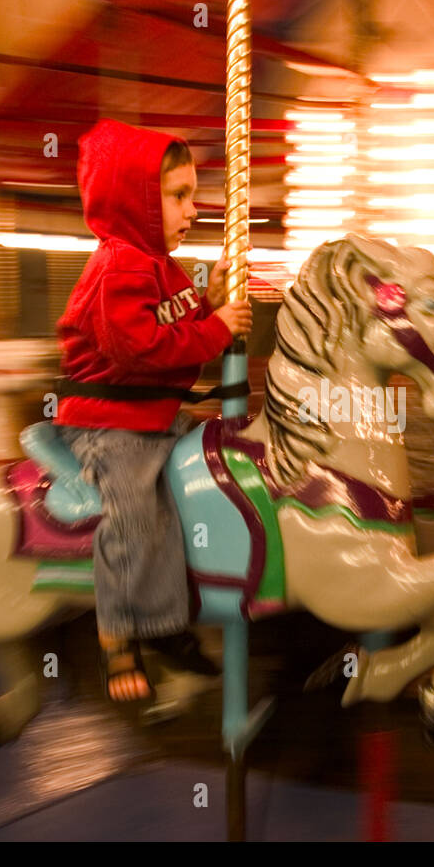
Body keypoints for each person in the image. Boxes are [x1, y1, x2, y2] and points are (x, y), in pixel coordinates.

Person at [54, 118, 253, 702]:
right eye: (178, 196)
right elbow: (139, 349)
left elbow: (171, 315)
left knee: (218, 467)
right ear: (135, 198)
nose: (193, 210)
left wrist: (207, 301)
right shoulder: (118, 266)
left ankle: (166, 618)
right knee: (135, 513)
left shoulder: (156, 263)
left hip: (154, 419)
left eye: (193, 195)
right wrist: (215, 330)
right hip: (109, 425)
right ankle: (118, 636)